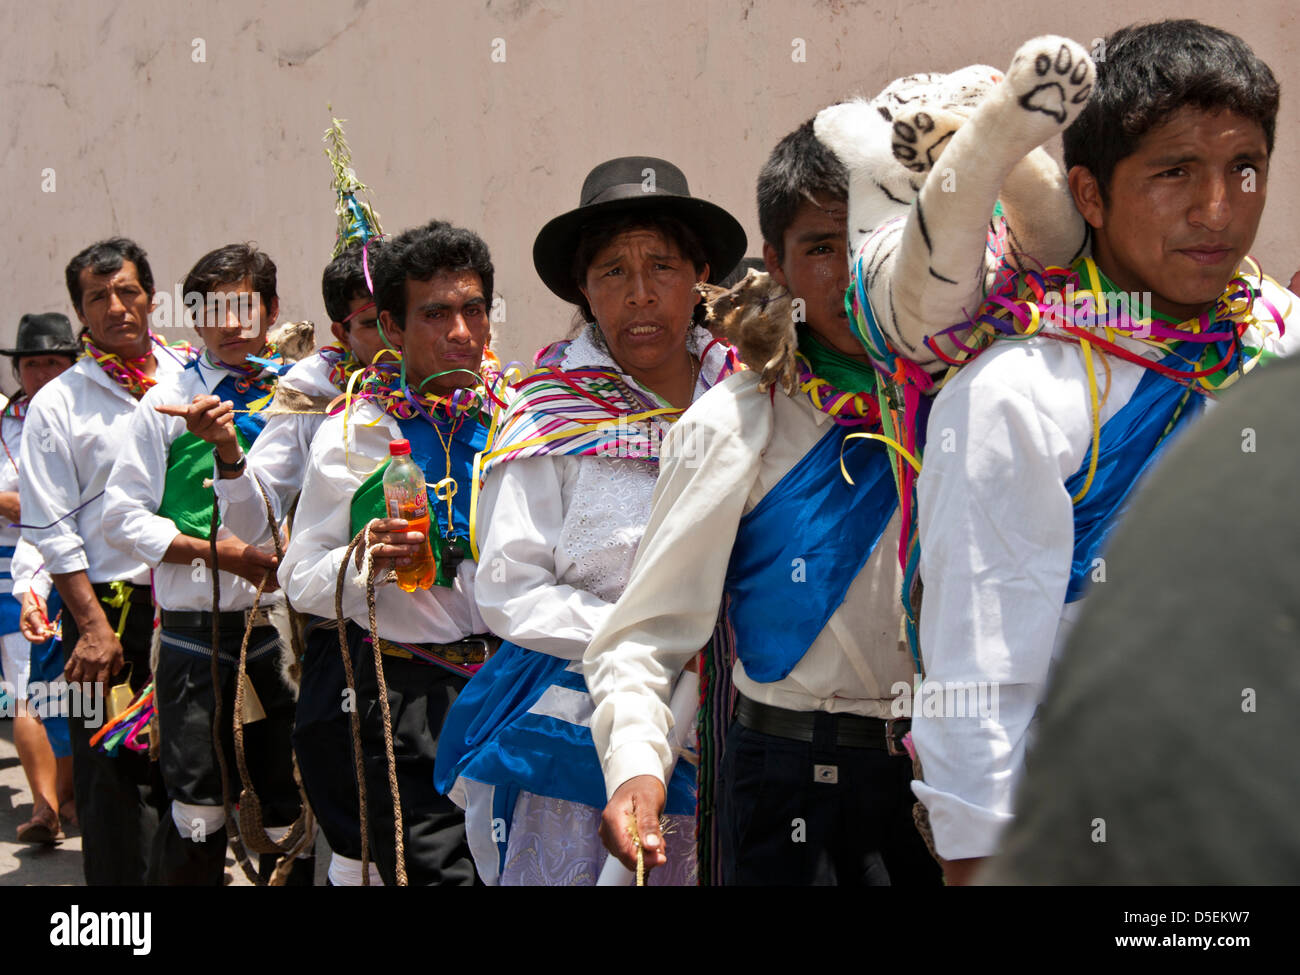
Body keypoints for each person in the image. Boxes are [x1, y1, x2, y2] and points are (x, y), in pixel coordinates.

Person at [907, 20, 1299, 884]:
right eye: (1174, 173)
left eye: (1246, 169)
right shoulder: (1019, 393)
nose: (1219, 209)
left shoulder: (1280, 351)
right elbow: (980, 677)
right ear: (1088, 193)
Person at [580, 132, 941, 886]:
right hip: (791, 782)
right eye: (820, 247)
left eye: (877, 238)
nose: (850, 273)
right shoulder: (732, 424)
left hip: (943, 772)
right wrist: (636, 767)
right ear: (775, 263)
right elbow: (643, 636)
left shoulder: (955, 404)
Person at [434, 155, 749, 886]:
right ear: (584, 289)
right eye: (612, 272)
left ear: (699, 274)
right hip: (582, 726)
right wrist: (653, 643)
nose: (640, 295)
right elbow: (510, 588)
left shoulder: (747, 393)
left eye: (662, 266)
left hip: (735, 713)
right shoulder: (548, 409)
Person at [282, 219, 503, 886]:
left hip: (513, 684)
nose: (460, 330)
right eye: (435, 313)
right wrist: (363, 559)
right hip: (406, 691)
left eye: (473, 309)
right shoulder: (356, 431)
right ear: (394, 328)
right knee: (440, 873)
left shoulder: (522, 415)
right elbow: (299, 578)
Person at [103, 242, 308, 885]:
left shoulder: (301, 402)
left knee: (286, 804)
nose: (231, 323)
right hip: (193, 635)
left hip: (280, 634)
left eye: (246, 305)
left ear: (272, 310)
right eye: (214, 308)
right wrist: (218, 556)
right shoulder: (162, 403)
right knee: (197, 806)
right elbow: (122, 518)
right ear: (194, 318)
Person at [211, 239, 385, 886]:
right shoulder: (312, 393)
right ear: (342, 329)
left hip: (445, 650)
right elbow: (256, 514)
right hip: (339, 638)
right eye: (372, 321)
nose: (392, 334)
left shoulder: (461, 383)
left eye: (402, 312)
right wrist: (231, 455)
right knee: (347, 823)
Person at [20, 238, 191, 885]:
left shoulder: (187, 375)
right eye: (98, 297)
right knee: (112, 778)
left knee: (191, 769)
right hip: (107, 614)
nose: (116, 307)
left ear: (150, 294)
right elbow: (52, 526)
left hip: (190, 606)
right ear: (80, 311)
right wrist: (90, 627)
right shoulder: (58, 403)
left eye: (128, 291)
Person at [0, 313, 79, 842]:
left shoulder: (84, 413)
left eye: (55, 360)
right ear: (18, 370)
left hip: (66, 565)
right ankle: (45, 806)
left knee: (64, 689)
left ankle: (70, 793)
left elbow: (48, 505)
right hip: (8, 570)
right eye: (33, 363)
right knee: (22, 687)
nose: (44, 372)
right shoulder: (4, 423)